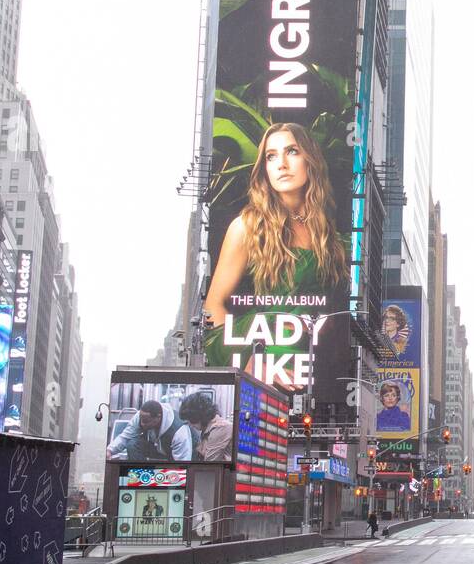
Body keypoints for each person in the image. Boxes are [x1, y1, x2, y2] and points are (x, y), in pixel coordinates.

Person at [203, 123, 348, 389]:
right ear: (264, 168)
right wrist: (249, 363)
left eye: (292, 151)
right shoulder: (247, 227)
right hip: (262, 353)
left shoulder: (331, 238)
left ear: (310, 159)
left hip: (317, 367)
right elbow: (211, 310)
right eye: (271, 156)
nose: (281, 163)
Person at [107, 401, 194, 462]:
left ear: (158, 417)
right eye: (141, 419)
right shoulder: (141, 416)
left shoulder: (179, 432)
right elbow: (125, 437)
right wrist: (109, 451)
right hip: (159, 448)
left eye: (145, 421)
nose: (141, 424)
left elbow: (183, 463)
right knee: (133, 444)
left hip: (183, 454)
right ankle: (140, 478)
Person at [179, 392, 233, 462]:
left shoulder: (220, 428)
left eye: (191, 420)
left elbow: (209, 464)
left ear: (200, 416)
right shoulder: (207, 430)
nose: (190, 425)